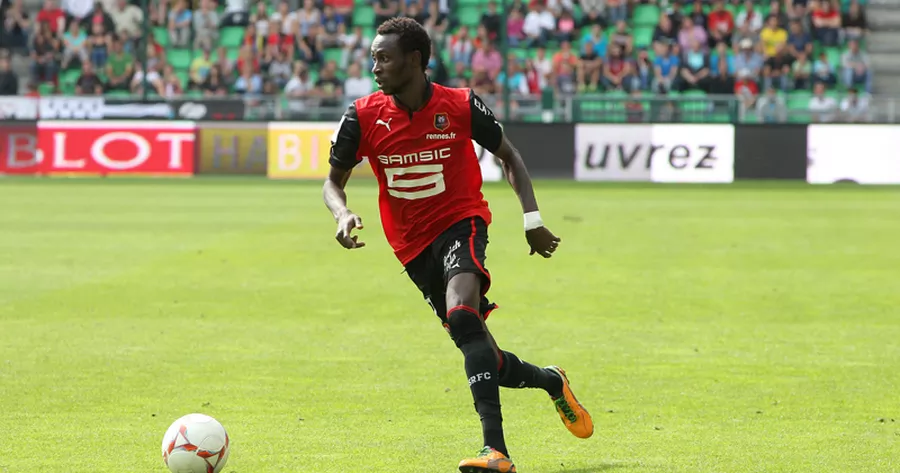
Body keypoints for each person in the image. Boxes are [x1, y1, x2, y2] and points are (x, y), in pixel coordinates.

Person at [323, 17, 593, 473]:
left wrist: (533, 219)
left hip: (461, 221)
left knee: (462, 314)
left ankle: (497, 453)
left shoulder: (461, 105)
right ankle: (551, 381)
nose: (374, 67)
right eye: (372, 57)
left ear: (414, 60)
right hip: (410, 247)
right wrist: (341, 212)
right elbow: (333, 182)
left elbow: (509, 156)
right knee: (483, 352)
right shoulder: (361, 116)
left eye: (383, 57)